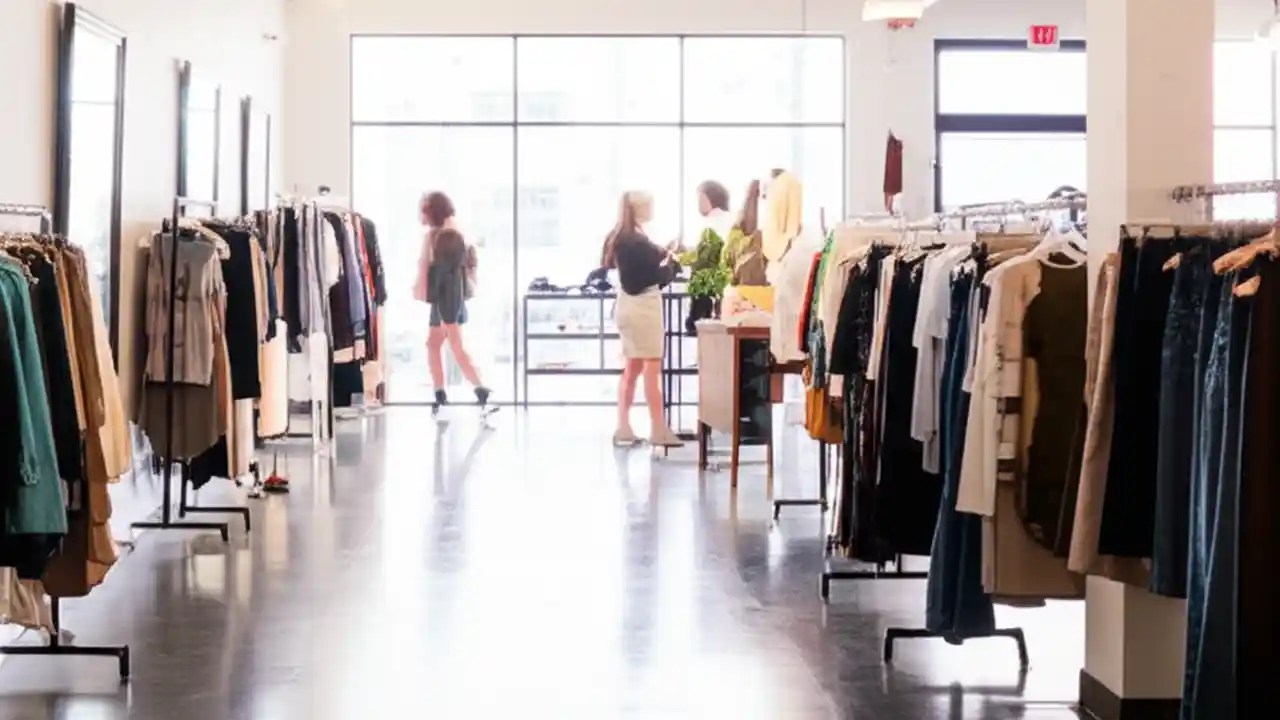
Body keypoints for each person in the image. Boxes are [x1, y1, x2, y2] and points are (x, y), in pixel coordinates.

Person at [602, 191, 683, 448]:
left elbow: (640, 268)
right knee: (651, 369)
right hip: (643, 311)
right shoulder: (635, 241)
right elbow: (644, 279)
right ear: (640, 208)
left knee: (632, 367)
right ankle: (658, 428)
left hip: (628, 308)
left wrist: (665, 254)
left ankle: (623, 427)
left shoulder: (622, 237)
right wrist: (672, 268)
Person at [414, 191, 490, 414]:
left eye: (425, 210)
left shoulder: (447, 235)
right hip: (447, 298)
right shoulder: (448, 232)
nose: (422, 215)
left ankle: (480, 389)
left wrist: (428, 292)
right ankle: (441, 393)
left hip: (447, 298)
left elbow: (444, 273)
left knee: (455, 346)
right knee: (434, 344)